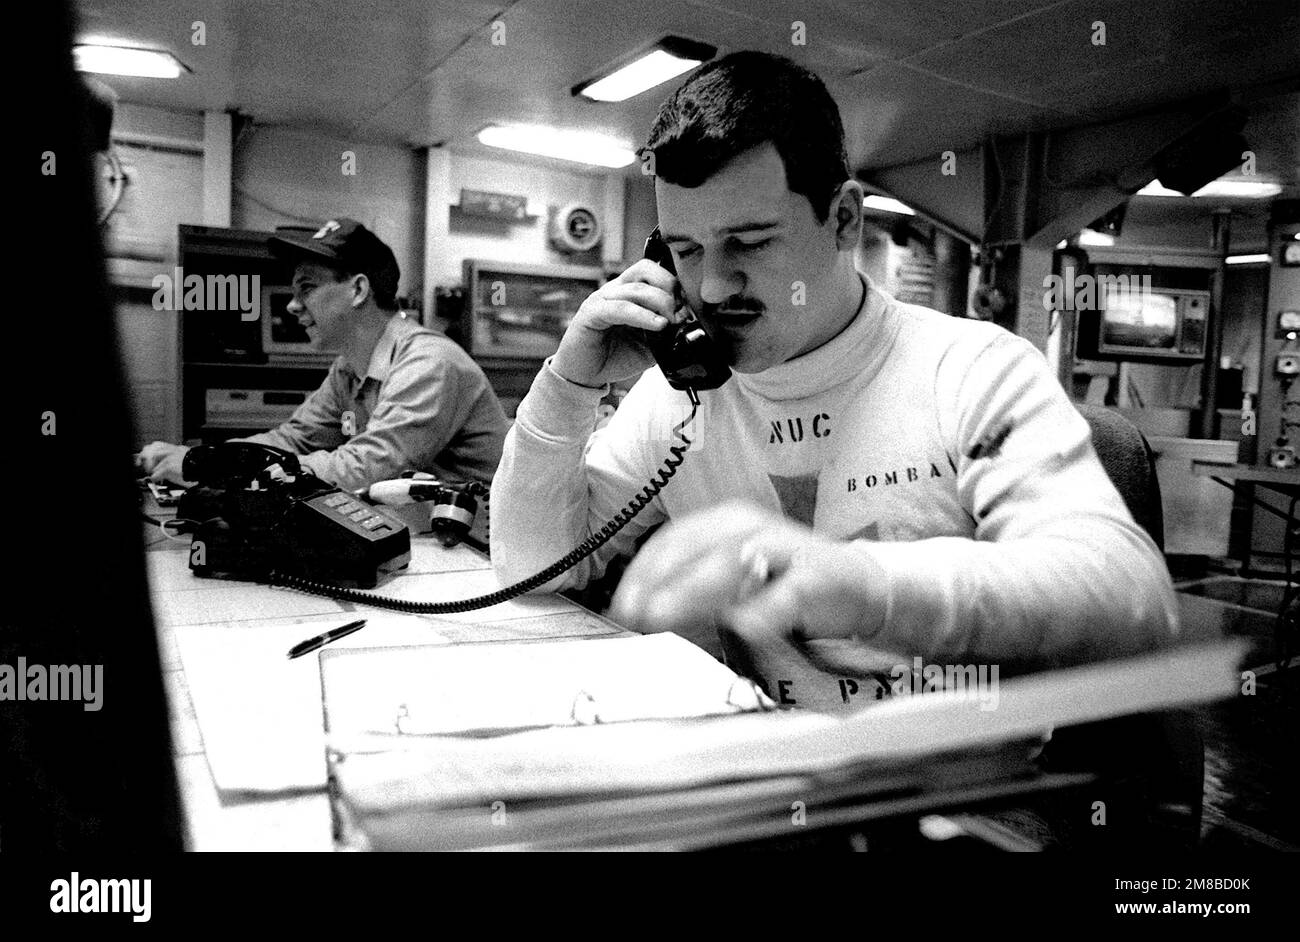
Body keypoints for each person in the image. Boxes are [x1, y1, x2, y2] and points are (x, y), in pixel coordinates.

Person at [490, 51, 1178, 673]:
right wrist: (567, 384)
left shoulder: (972, 369)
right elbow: (532, 568)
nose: (713, 287)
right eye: (687, 249)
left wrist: (862, 585)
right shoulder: (681, 397)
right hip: (772, 776)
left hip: (948, 790)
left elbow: (1132, 597)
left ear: (844, 220)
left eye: (750, 243)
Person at [137, 218, 508, 492]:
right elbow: (294, 440)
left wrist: (209, 469)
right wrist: (203, 458)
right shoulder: (348, 369)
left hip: (480, 550)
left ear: (358, 289)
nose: (293, 307)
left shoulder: (430, 363)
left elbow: (364, 468)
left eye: (307, 288)